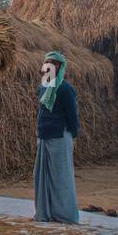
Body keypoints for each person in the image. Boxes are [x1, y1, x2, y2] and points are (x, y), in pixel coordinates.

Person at [33, 51, 80, 224]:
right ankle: (46, 211)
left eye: (53, 64)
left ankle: (64, 215)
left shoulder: (65, 89)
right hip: (44, 136)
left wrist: (73, 134)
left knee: (60, 176)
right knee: (42, 176)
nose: (49, 67)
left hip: (60, 136)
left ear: (60, 68)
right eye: (47, 63)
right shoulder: (43, 88)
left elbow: (72, 115)